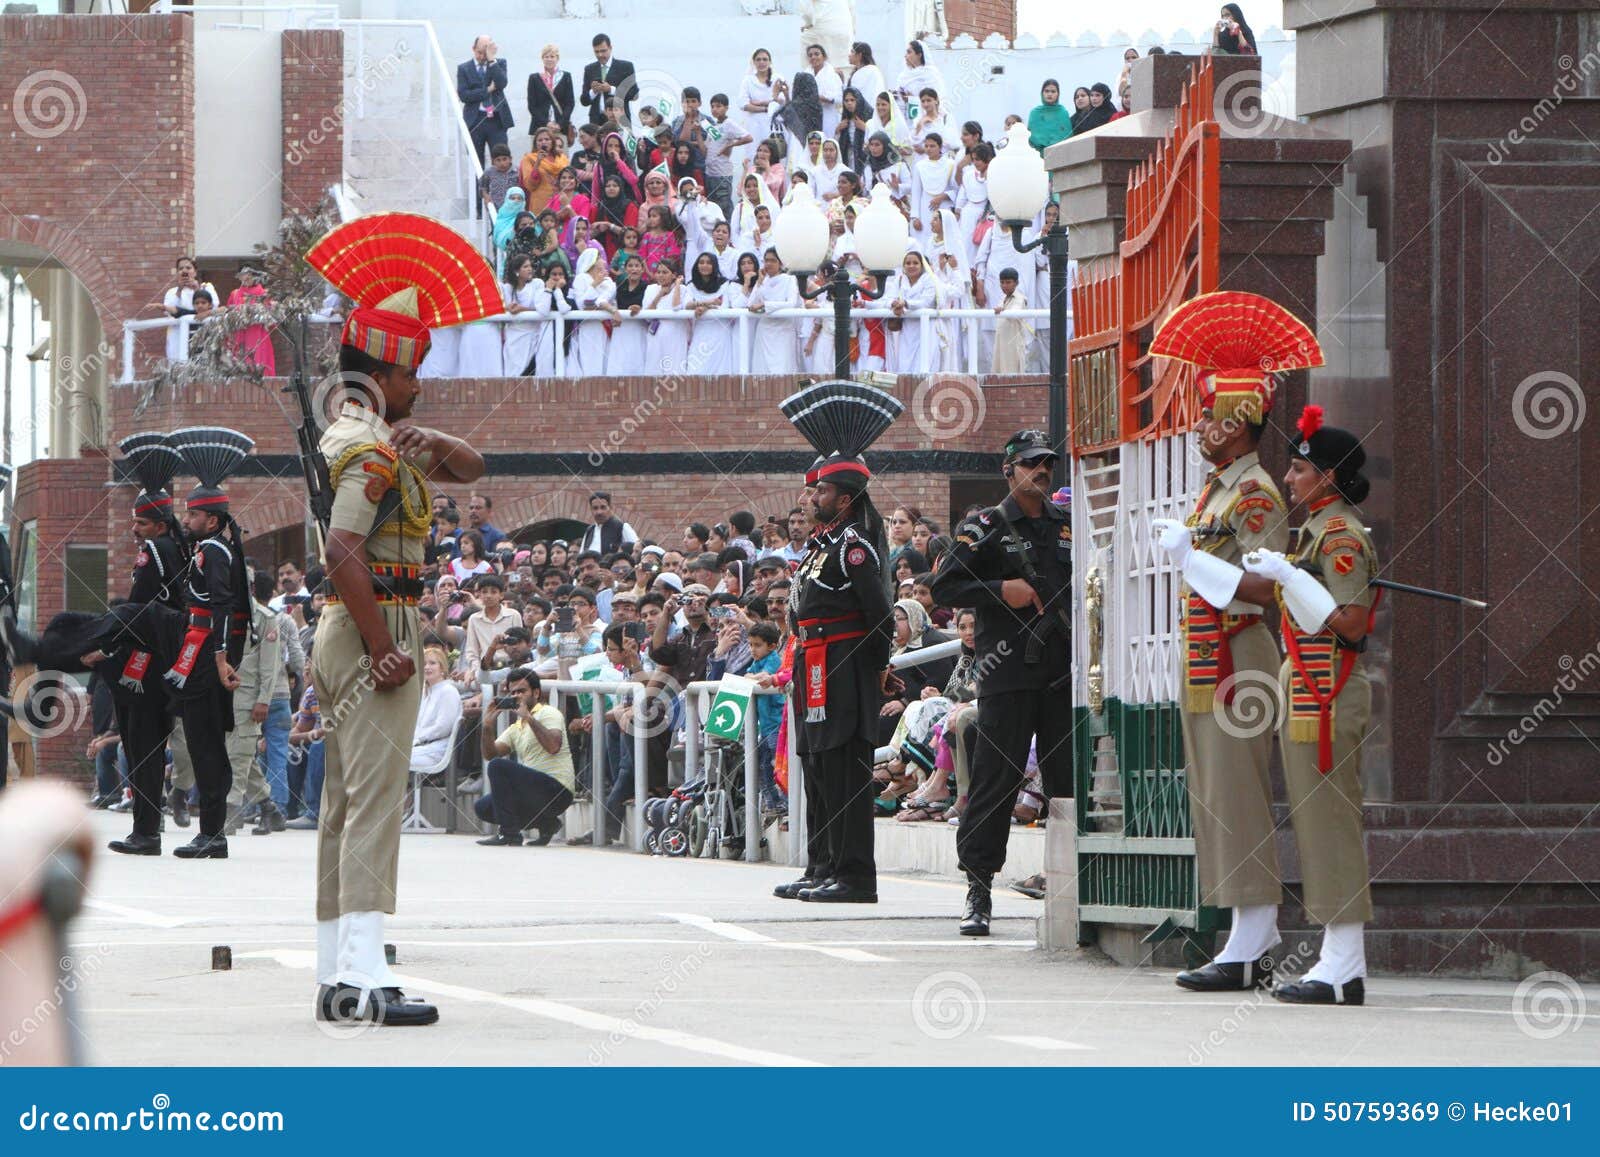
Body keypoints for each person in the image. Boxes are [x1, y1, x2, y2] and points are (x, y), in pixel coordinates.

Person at [303, 213, 491, 1027]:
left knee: (347, 804)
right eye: (414, 375)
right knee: (375, 804)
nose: (421, 386)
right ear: (386, 370)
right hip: (375, 621)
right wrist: (385, 649)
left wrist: (428, 434)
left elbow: (472, 466)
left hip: (357, 625)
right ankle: (368, 979)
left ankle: (337, 970)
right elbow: (342, 549)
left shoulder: (366, 434)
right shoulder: (371, 449)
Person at [1144, 289, 1324, 996]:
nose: (1200, 424)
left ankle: (1253, 937)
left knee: (1239, 793)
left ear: (1242, 419)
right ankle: (1247, 930)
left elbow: (1265, 586)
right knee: (1216, 793)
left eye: (1212, 414)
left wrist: (1193, 559)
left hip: (1242, 657)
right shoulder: (1220, 488)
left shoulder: (1254, 496)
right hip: (1209, 656)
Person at [1243, 405, 1376, 1006]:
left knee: (1331, 824)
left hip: (1330, 692)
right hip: (1307, 690)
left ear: (1327, 477)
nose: (1289, 479)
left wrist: (1290, 580)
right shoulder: (1320, 530)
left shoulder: (1342, 534)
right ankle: (1336, 958)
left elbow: (1349, 625)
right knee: (1316, 823)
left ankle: (1344, 965)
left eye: (1299, 469)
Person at [930, 430, 1072, 936]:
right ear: (1008, 470)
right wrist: (999, 590)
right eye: (1032, 463)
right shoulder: (984, 526)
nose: (1042, 470)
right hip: (1007, 675)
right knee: (995, 783)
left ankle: (1071, 887)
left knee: (1067, 785)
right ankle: (979, 889)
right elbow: (944, 585)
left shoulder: (1066, 524)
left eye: (1048, 462)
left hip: (1061, 675)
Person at [774, 381, 899, 903]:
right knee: (818, 767)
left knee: (846, 771)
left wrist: (868, 674)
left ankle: (854, 875)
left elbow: (880, 618)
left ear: (844, 499)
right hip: (814, 665)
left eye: (821, 492)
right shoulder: (821, 548)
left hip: (844, 667)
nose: (811, 498)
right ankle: (822, 862)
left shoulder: (854, 549)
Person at [103, 433, 189, 856]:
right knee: (151, 746)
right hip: (172, 655)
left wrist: (108, 641)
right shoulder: (180, 548)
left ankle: (146, 832)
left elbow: (139, 609)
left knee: (142, 746)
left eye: (139, 523)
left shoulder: (153, 550)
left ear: (156, 524)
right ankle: (150, 828)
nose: (134, 531)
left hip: (149, 658)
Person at [474, 667, 574, 846]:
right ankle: (546, 823)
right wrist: (487, 727)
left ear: (536, 693)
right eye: (513, 693)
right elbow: (490, 754)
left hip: (556, 790)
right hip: (534, 792)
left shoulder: (548, 713)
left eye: (522, 691)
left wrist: (529, 718)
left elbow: (553, 746)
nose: (517, 696)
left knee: (499, 766)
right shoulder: (516, 727)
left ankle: (509, 833)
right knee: (483, 807)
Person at [458, 35, 513, 173]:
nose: (482, 56)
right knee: (476, 162)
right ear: (473, 49)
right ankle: (477, 194)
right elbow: (464, 95)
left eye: (485, 52)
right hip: (475, 119)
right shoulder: (464, 68)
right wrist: (487, 90)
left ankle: (500, 193)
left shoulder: (498, 63)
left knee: (501, 160)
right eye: (479, 52)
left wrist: (491, 59)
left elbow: (501, 83)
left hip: (496, 120)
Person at [748, 248, 799, 373]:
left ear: (780, 263)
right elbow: (750, 304)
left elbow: (791, 303)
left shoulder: (790, 279)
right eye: (766, 260)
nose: (768, 264)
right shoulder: (763, 281)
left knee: (784, 368)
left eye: (772, 260)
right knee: (762, 369)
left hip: (783, 330)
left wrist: (765, 305)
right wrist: (759, 282)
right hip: (764, 330)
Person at [159, 256, 217, 363]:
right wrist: (180, 290)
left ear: (195, 272)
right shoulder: (172, 292)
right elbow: (169, 312)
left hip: (201, 335)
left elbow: (214, 305)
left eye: (188, 268)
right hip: (178, 337)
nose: (184, 271)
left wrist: (197, 289)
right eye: (181, 269)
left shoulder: (206, 287)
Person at [580, 33, 637, 126]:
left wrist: (611, 89)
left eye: (603, 51)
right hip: (596, 122)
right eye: (596, 52)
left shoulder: (625, 67)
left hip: (619, 120)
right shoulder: (589, 69)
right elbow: (584, 101)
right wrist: (593, 92)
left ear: (610, 48)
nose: (600, 55)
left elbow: (633, 94)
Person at [526, 43, 575, 141]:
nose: (549, 59)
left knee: (560, 156)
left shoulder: (566, 77)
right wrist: (546, 123)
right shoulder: (535, 78)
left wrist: (560, 124)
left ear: (557, 58)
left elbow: (570, 103)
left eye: (552, 56)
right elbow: (532, 106)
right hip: (539, 128)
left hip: (560, 128)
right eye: (546, 56)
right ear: (542, 58)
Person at [579, 491, 639, 555]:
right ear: (591, 510)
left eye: (603, 507)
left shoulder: (621, 527)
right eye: (595, 508)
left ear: (610, 508)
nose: (599, 512)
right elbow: (581, 555)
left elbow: (638, 551)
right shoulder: (589, 531)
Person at [1027, 79, 1073, 154]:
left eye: (1053, 91)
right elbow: (1031, 137)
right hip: (1037, 156)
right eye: (1046, 91)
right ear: (1042, 93)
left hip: (1059, 154)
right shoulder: (1035, 113)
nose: (1049, 94)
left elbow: (1067, 136)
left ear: (1058, 94)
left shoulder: (1063, 113)